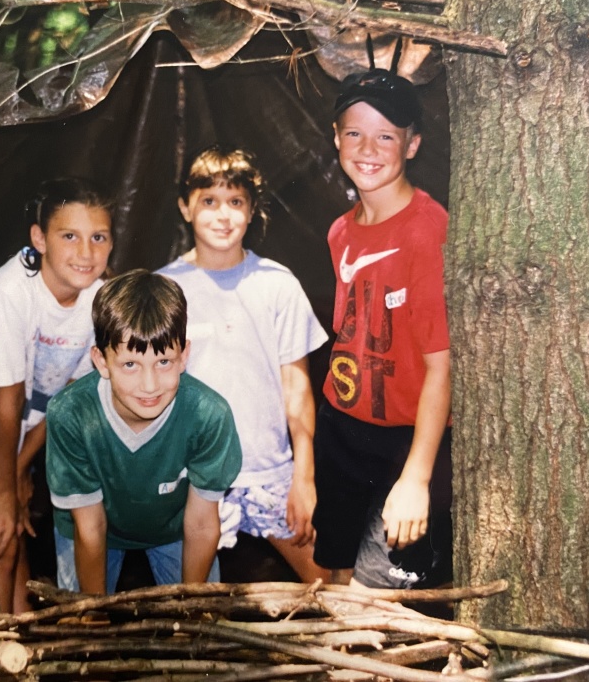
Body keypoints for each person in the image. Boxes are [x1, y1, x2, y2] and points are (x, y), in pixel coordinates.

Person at [312, 44, 453, 589]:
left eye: (386, 136)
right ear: (336, 138)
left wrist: (417, 476)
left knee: (380, 594)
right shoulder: (339, 232)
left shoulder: (426, 231)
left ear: (412, 144)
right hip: (342, 428)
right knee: (336, 578)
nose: (368, 149)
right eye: (354, 133)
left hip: (406, 439)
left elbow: (441, 367)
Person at [0, 177, 114, 612]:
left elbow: (62, 399)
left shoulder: (99, 300)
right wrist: (3, 489)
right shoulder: (12, 293)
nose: (85, 252)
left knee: (12, 539)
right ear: (39, 238)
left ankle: (21, 643)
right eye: (69, 236)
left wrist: (19, 470)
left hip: (16, 429)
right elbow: (9, 401)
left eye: (99, 238)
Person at [159, 147, 330, 583]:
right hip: (191, 478)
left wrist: (303, 478)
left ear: (251, 211)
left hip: (269, 472)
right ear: (185, 206)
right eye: (209, 201)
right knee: (189, 604)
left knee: (329, 585)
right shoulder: (163, 288)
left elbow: (297, 390)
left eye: (235, 202)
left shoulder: (277, 284)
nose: (222, 216)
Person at [46, 270, 243, 594]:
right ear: (101, 361)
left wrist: (191, 611)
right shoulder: (70, 414)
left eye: (164, 362)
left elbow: (202, 523)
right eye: (130, 365)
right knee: (81, 625)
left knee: (203, 622)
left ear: (184, 356)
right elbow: (90, 528)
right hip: (91, 531)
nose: (149, 385)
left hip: (175, 528)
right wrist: (93, 615)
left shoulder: (209, 415)